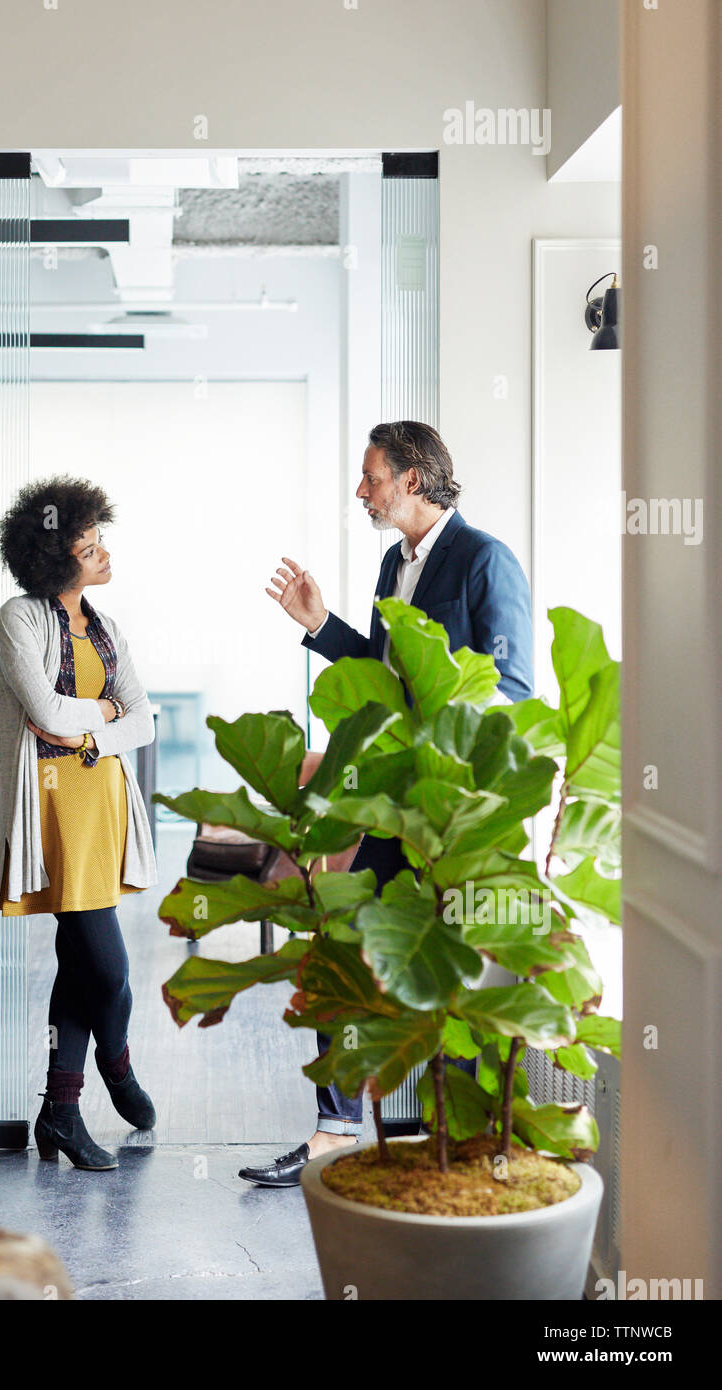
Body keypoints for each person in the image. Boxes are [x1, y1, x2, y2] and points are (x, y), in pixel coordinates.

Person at [239, 419, 534, 1188]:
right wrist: (320, 625)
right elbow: (380, 675)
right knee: (342, 947)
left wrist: (437, 729)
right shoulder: (390, 566)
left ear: (412, 479)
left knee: (440, 976)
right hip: (390, 805)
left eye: (371, 477)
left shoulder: (484, 560)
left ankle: (449, 1149)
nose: (361, 490)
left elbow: (512, 691)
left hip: (450, 817)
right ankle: (335, 1132)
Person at [0, 475, 158, 1171]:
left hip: (104, 801)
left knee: (79, 962)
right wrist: (108, 715)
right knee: (108, 969)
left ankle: (60, 1111)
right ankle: (116, 1065)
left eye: (99, 542)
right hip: (55, 804)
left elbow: (145, 721)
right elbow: (44, 712)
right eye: (89, 549)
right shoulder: (18, 619)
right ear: (55, 561)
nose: (103, 555)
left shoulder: (107, 628)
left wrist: (92, 727)